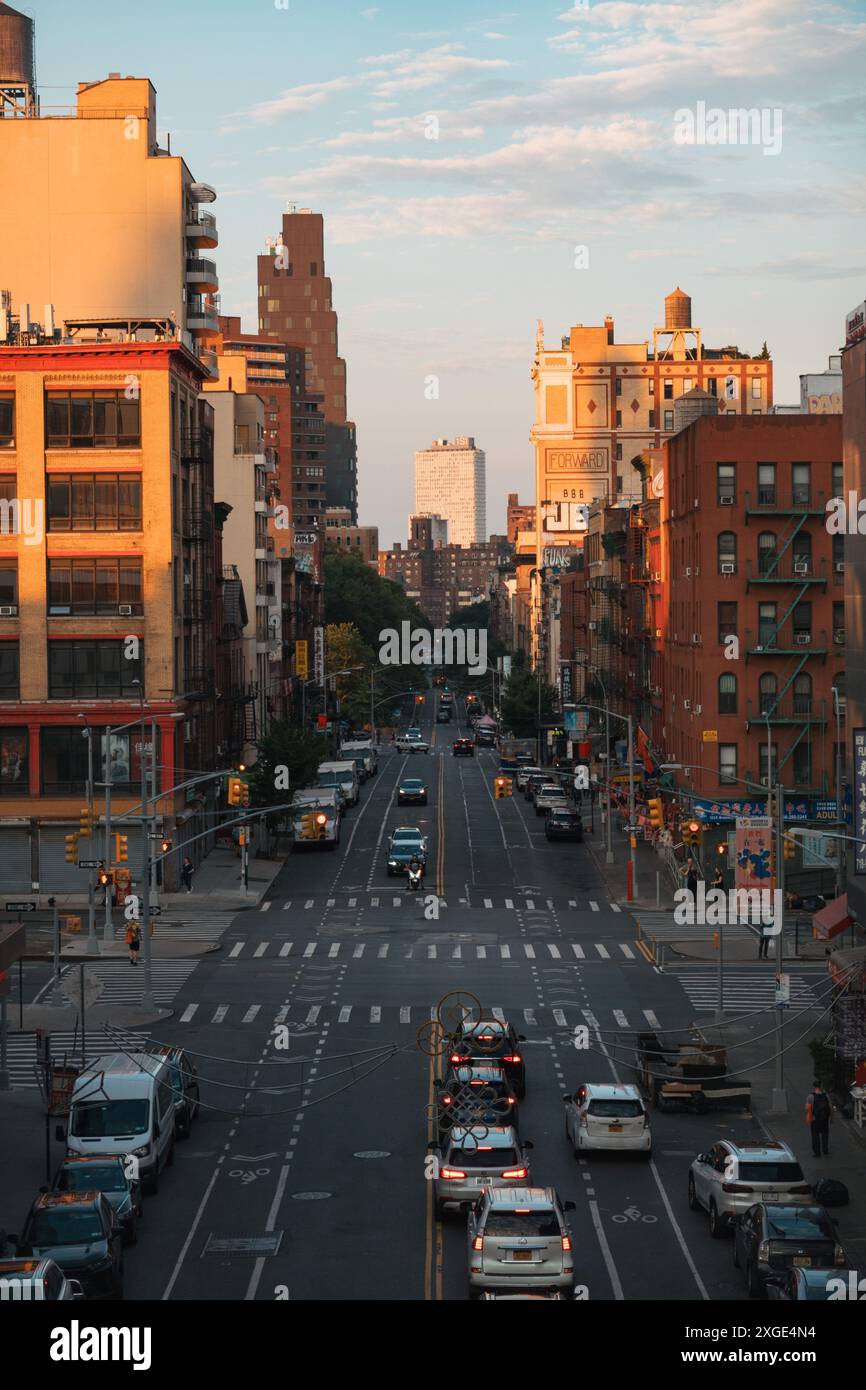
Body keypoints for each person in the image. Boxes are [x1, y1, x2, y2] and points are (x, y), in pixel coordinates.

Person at [806, 1080, 832, 1157]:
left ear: (814, 1086)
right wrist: (831, 1117)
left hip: (815, 1119)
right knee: (825, 1134)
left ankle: (817, 1153)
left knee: (815, 1136)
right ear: (821, 1086)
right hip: (824, 1118)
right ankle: (825, 1150)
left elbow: (808, 1109)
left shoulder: (810, 1096)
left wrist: (809, 1119)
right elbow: (830, 1107)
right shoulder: (826, 1095)